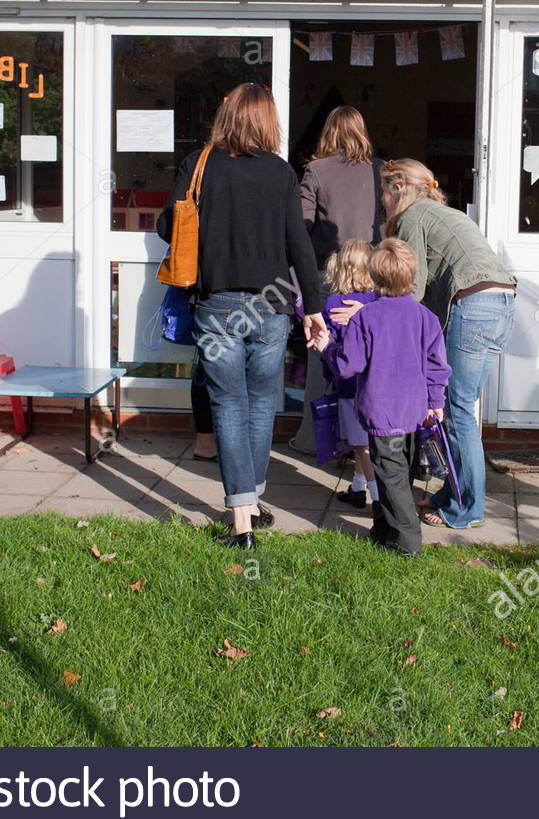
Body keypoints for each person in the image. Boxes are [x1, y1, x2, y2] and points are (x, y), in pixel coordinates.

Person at [162, 83, 327, 550]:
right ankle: (252, 502)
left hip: (216, 305)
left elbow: (167, 225)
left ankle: (242, 520)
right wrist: (312, 307)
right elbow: (299, 243)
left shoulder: (198, 164)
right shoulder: (280, 173)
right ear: (267, 121)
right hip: (271, 305)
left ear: (226, 116)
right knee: (259, 406)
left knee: (228, 407)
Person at [334, 159, 515, 531]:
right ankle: (454, 493)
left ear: (399, 190)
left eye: (385, 190)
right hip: (501, 304)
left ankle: (467, 509)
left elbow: (411, 288)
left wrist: (368, 310)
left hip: (474, 304)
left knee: (458, 409)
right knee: (456, 407)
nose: (382, 199)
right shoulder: (440, 213)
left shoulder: (415, 216)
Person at [317, 239, 450, 555]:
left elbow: (350, 365)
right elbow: (437, 365)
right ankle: (383, 529)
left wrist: (327, 348)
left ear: (375, 277)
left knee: (391, 477)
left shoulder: (366, 318)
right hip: (414, 412)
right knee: (398, 471)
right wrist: (436, 402)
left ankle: (407, 542)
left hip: (382, 412)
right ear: (411, 276)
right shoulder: (425, 316)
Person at [290, 106, 384, 455]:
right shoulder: (380, 172)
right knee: (369, 358)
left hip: (328, 275)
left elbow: (302, 227)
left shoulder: (315, 170)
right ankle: (367, 445)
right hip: (370, 279)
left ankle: (315, 440)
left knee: (321, 353)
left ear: (327, 132)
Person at [319, 239, 379, 508]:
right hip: (376, 384)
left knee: (361, 445)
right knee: (364, 442)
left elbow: (326, 343)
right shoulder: (379, 302)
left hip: (347, 385)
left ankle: (379, 500)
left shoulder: (333, 303)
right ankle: (357, 488)